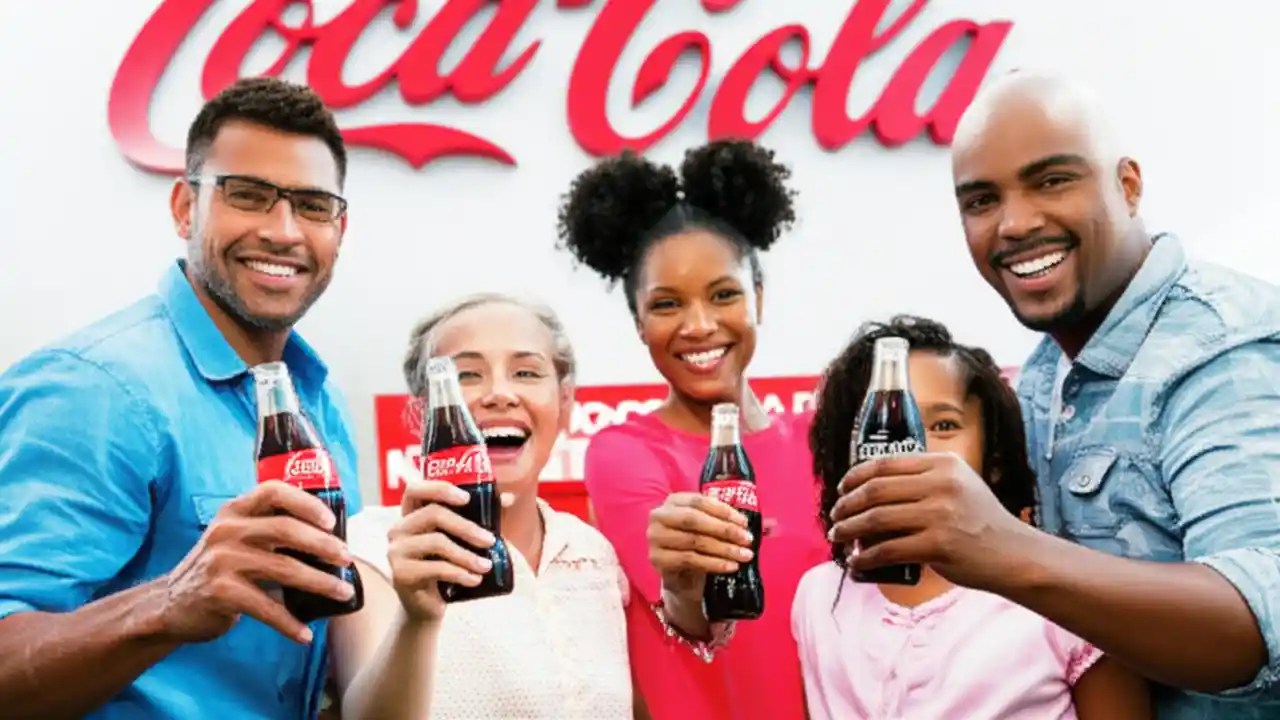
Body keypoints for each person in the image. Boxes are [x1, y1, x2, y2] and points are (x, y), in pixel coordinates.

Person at [828, 70, 1280, 718]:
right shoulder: (1045, 370)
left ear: (1128, 185)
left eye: (1052, 181)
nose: (1014, 223)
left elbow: (1263, 624)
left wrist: (1008, 552)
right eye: (982, 200)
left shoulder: (1222, 348)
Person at [0, 77, 362, 718]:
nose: (284, 232)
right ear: (184, 209)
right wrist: (168, 604)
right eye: (249, 196)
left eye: (311, 206)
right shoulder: (93, 389)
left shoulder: (319, 402)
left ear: (340, 227)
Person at [556, 139, 829, 720]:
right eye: (667, 305)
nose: (699, 326)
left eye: (724, 295)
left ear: (759, 297)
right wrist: (686, 583)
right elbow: (691, 610)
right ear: (638, 322)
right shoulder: (624, 453)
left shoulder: (820, 440)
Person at [797, 315, 1152, 719]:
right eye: (885, 427)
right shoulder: (817, 596)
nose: (909, 448)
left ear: (994, 458)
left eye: (943, 424)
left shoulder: (1062, 593)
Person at [329, 293, 642, 719]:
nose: (499, 394)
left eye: (526, 372)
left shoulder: (595, 554)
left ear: (564, 403)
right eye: (466, 376)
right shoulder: (372, 547)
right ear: (422, 415)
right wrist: (416, 619)